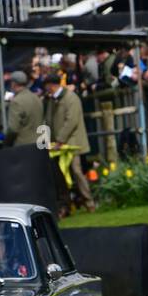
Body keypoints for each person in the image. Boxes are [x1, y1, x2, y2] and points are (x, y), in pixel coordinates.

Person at [42, 73, 95, 214]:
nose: (45, 89)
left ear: (51, 85)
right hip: (59, 145)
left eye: (46, 86)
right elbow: (48, 121)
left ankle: (89, 202)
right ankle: (69, 205)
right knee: (61, 175)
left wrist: (60, 140)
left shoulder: (71, 98)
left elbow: (71, 121)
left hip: (73, 143)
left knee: (77, 172)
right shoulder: (51, 100)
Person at [5, 70, 43, 146]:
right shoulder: (36, 98)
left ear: (13, 84)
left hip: (23, 145)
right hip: (40, 143)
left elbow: (13, 129)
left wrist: (6, 142)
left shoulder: (16, 101)